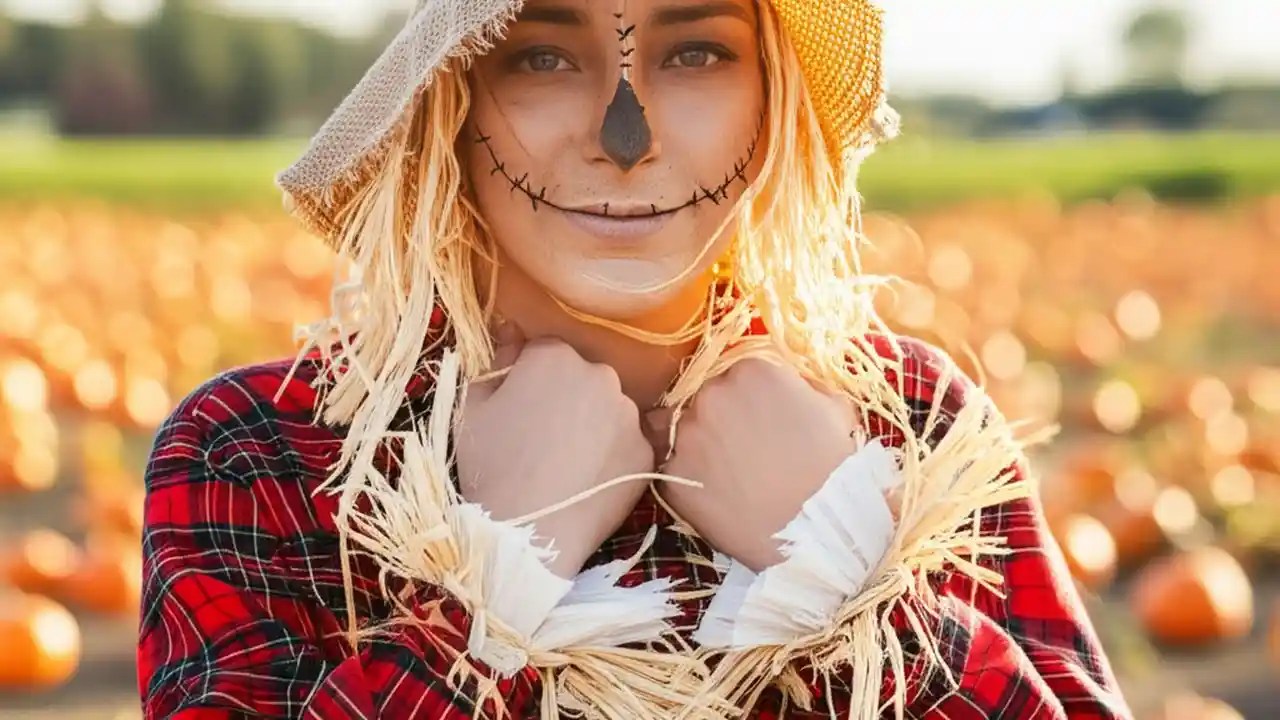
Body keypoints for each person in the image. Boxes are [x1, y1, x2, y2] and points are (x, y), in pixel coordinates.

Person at [137, 1, 1133, 718]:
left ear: (768, 103)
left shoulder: (914, 422)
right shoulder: (268, 452)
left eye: (696, 52)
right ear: (452, 105)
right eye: (540, 58)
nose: (626, 136)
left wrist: (852, 580)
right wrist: (490, 585)